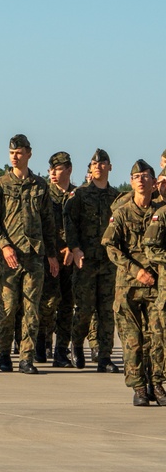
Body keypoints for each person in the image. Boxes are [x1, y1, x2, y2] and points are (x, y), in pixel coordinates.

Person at [0, 134, 58, 374]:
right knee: (7, 308)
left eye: (18, 153)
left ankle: (26, 358)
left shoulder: (40, 186)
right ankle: (4, 353)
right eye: (11, 153)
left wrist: (51, 254)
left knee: (31, 309)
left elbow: (48, 222)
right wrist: (4, 245)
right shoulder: (0, 185)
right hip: (9, 257)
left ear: (29, 153)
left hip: (34, 256)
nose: (14, 157)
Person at [102, 161, 163, 405]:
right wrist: (136, 271)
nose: (140, 180)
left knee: (156, 338)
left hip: (156, 286)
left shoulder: (160, 212)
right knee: (133, 340)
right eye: (136, 176)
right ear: (131, 182)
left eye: (145, 176)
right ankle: (138, 387)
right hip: (128, 286)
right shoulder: (122, 212)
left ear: (153, 182)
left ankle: (156, 384)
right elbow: (110, 246)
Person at [63, 149, 120, 371]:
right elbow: (69, 222)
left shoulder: (116, 197)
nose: (98, 166)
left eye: (102, 163)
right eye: (94, 163)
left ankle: (104, 357)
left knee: (106, 311)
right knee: (84, 309)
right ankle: (77, 345)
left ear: (109, 167)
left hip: (108, 261)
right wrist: (75, 248)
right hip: (85, 261)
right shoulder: (80, 195)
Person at [39, 152, 76, 367]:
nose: (53, 173)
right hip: (49, 258)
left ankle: (61, 351)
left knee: (67, 305)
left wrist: (72, 247)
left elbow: (84, 226)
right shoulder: (44, 195)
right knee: (48, 303)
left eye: (58, 168)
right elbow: (41, 227)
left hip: (71, 259)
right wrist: (52, 253)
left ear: (69, 169)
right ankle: (41, 340)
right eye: (51, 169)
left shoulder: (78, 195)